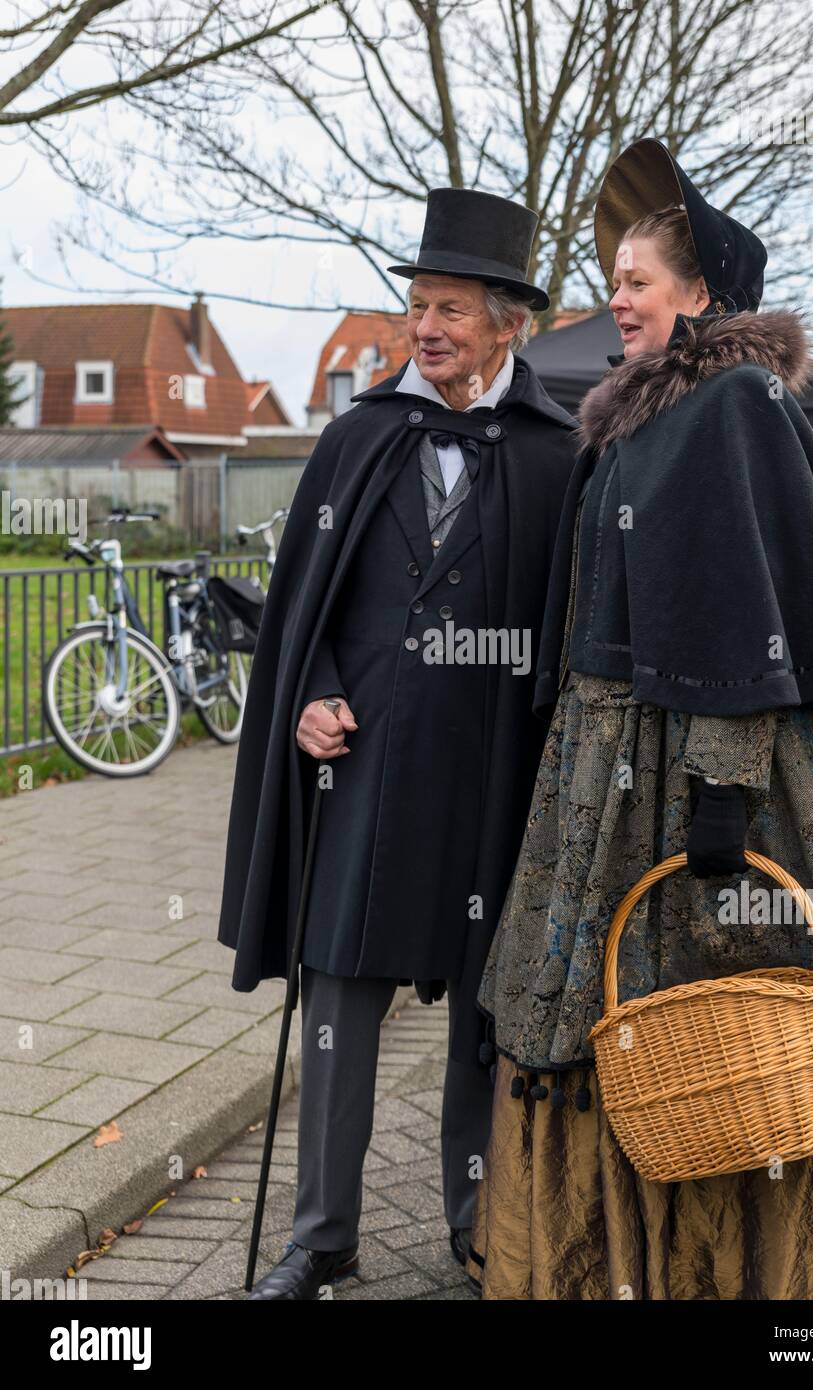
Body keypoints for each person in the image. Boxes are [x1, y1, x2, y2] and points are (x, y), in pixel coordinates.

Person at [466, 138, 813, 1300]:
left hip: (716, 764)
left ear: (700, 297)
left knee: (752, 1010)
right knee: (623, 1015)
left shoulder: (732, 403)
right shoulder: (640, 419)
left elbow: (744, 602)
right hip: (611, 758)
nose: (616, 302)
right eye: (616, 281)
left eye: (637, 282)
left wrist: (724, 790)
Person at [215, 187, 579, 1299]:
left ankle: (478, 1224)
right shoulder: (358, 436)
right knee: (336, 1009)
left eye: (453, 308)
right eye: (419, 304)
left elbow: (571, 627)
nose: (428, 326)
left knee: (483, 1014)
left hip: (489, 787)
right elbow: (302, 613)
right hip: (366, 778)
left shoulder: (557, 456)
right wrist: (310, 696)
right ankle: (322, 1234)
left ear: (509, 322)